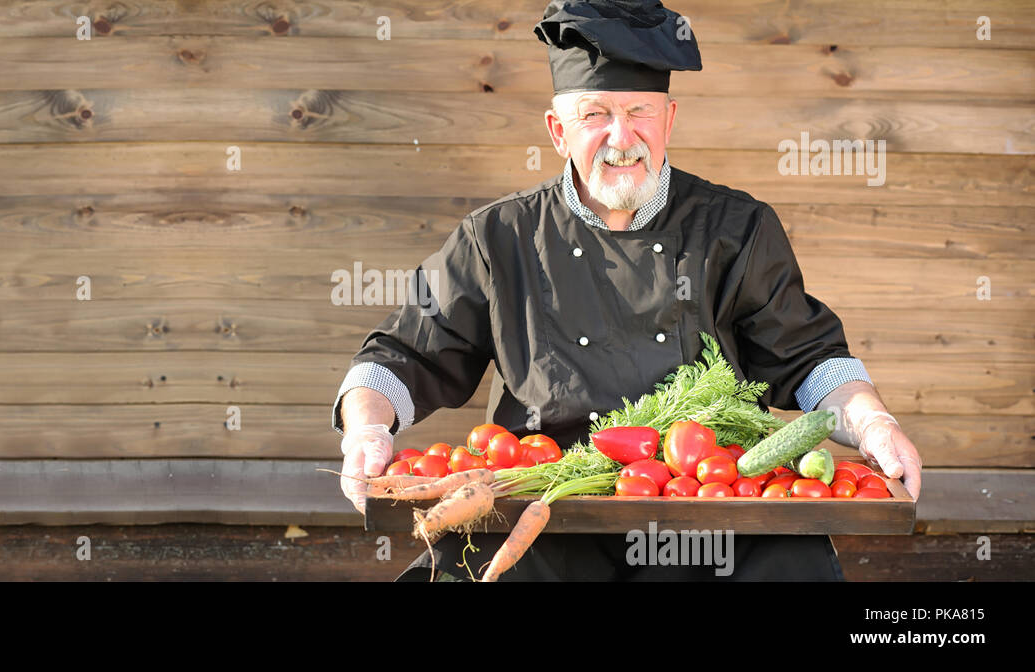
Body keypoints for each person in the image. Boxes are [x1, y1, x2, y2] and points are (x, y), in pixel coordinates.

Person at [332, 0, 923, 581]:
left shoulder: (737, 228)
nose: (622, 138)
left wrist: (873, 423)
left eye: (640, 111)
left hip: (706, 509)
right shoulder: (497, 237)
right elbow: (402, 357)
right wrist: (367, 429)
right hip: (545, 506)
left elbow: (811, 357)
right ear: (557, 131)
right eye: (594, 115)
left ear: (668, 121)